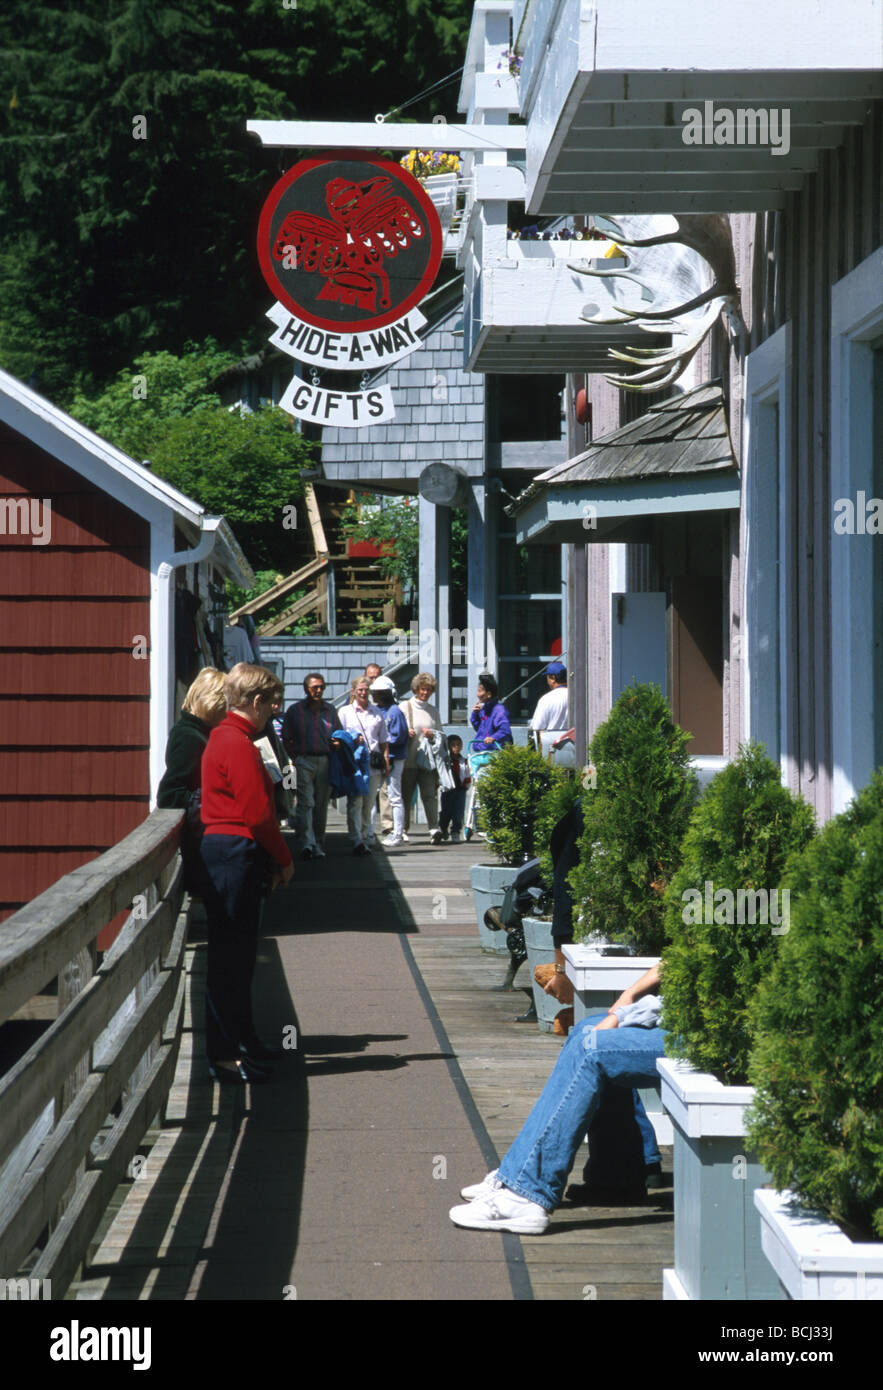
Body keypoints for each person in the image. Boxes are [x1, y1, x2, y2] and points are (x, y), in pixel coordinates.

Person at [449, 962, 664, 1233]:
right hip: (677, 1016)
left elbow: (700, 1001)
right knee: (585, 1029)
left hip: (706, 1035)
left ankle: (527, 1191)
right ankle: (614, 1177)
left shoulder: (731, 924)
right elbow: (678, 961)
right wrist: (630, 996)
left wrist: (624, 1015)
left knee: (593, 1048)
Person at [200, 663, 294, 1086]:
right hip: (235, 851)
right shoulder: (236, 742)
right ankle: (223, 1054)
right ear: (255, 702)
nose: (274, 712)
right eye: (272, 704)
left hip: (229, 851)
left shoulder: (226, 736)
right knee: (229, 958)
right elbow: (257, 813)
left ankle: (242, 1043)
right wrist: (284, 858)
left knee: (236, 957)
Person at [156, 667, 227, 891]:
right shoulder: (188, 736)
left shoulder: (198, 732)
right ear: (213, 700)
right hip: (198, 840)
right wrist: (209, 798)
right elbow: (169, 793)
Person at [281, 672, 342, 860]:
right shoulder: (295, 710)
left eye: (321, 687)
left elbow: (339, 733)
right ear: (306, 689)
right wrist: (295, 757)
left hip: (325, 759)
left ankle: (318, 842)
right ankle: (306, 842)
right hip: (304, 759)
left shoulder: (330, 710)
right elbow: (286, 737)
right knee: (306, 802)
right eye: (315, 687)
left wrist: (338, 743)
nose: (318, 690)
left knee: (321, 804)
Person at [339, 675, 388, 855]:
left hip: (373, 763)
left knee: (368, 803)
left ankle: (367, 836)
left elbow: (383, 740)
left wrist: (386, 761)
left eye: (366, 690)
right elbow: (338, 737)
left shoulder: (377, 712)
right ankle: (356, 839)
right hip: (354, 762)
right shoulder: (344, 712)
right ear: (353, 691)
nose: (363, 693)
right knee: (355, 802)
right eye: (360, 689)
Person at [400, 673, 445, 844]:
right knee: (406, 796)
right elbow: (395, 730)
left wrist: (433, 734)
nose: (425, 693)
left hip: (427, 762)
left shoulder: (433, 711)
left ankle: (434, 828)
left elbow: (441, 735)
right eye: (422, 689)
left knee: (429, 795)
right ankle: (403, 829)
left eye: (428, 690)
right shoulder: (405, 706)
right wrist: (406, 732)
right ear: (416, 689)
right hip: (408, 760)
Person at [370, 676, 409, 847]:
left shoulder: (395, 711)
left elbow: (399, 736)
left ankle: (398, 833)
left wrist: (382, 742)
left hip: (395, 758)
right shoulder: (378, 710)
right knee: (373, 794)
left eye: (378, 693)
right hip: (380, 758)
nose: (375, 695)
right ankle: (369, 831)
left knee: (394, 796)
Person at [530, 662, 570, 757]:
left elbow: (537, 728)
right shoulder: (576, 695)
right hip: (573, 747)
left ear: (553, 678)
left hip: (551, 750)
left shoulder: (546, 699)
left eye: (547, 677)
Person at [469, 672, 513, 752]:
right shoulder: (483, 709)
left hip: (495, 753)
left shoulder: (499, 710)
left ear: (489, 694)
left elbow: (505, 731)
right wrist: (475, 714)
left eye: (480, 691)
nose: (477, 694)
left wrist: (493, 738)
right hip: (482, 751)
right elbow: (479, 729)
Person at [439, 734, 471, 842]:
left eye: (458, 745)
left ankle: (456, 831)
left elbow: (467, 773)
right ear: (448, 747)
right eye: (453, 745)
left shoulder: (463, 761)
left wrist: (467, 783)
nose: (456, 747)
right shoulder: (445, 761)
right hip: (448, 790)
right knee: (446, 811)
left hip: (460, 790)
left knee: (458, 812)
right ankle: (443, 829)